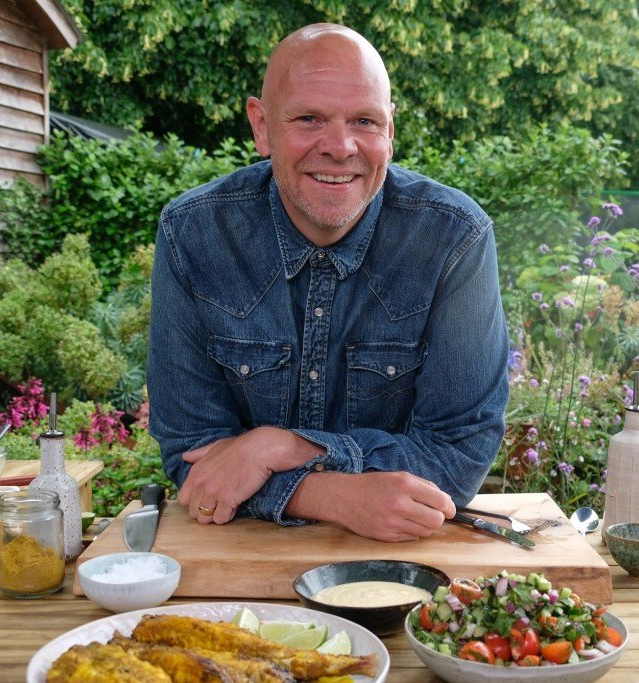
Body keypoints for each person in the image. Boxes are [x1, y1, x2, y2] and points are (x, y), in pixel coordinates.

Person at [147, 23, 509, 543]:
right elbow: (194, 452)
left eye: (364, 120)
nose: (340, 147)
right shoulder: (193, 235)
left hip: (404, 572)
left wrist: (283, 448)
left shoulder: (453, 237)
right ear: (261, 126)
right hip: (238, 560)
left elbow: (458, 454)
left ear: (390, 129)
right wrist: (337, 496)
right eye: (309, 118)